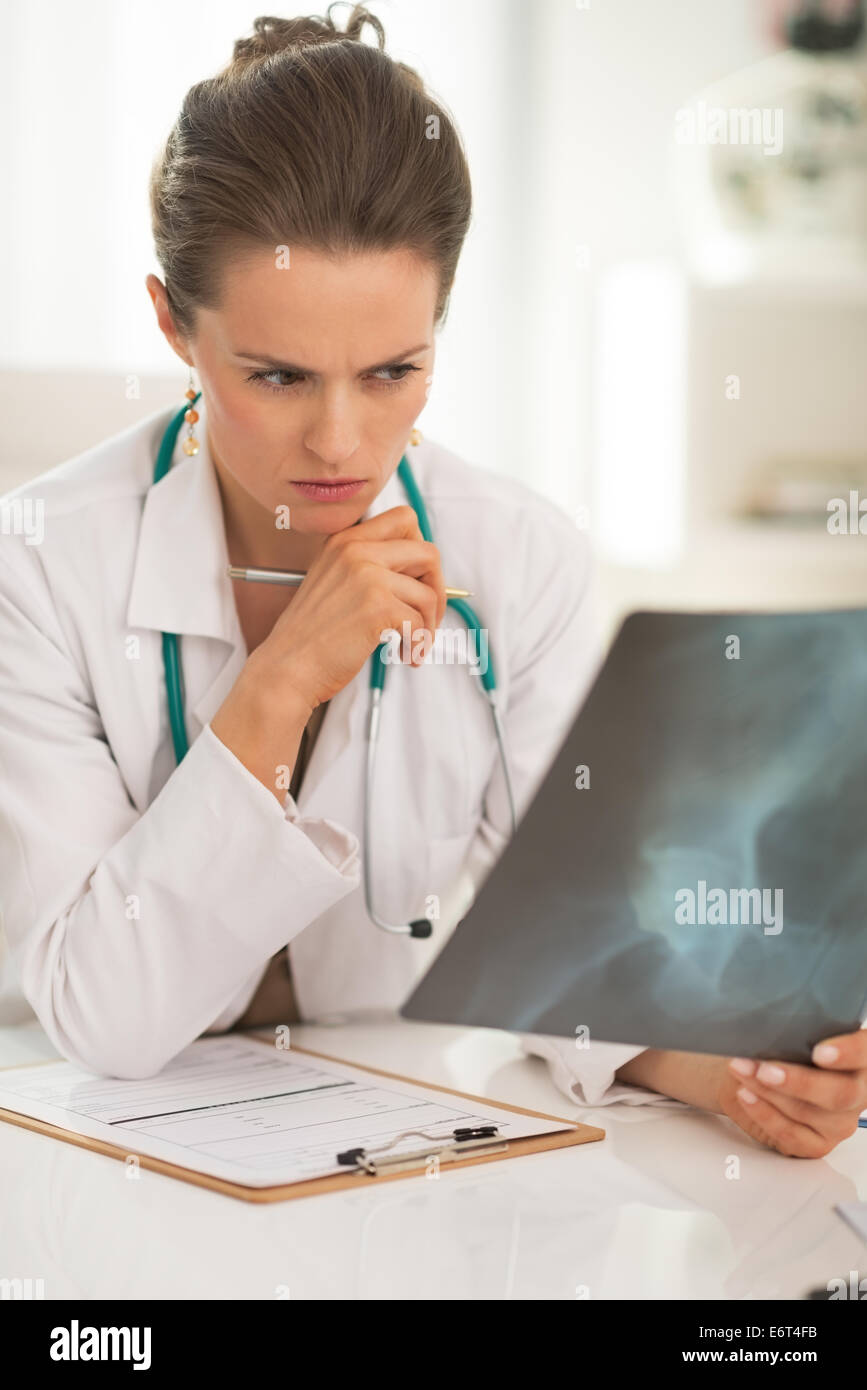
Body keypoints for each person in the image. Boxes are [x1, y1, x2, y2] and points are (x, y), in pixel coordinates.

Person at [0, 6, 864, 1160]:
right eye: (278, 375)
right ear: (173, 323)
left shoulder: (519, 556)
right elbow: (104, 1015)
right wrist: (287, 677)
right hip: (80, 1136)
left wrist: (738, 1074)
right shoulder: (43, 558)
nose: (341, 442)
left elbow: (572, 937)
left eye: (394, 369)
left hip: (378, 1123)